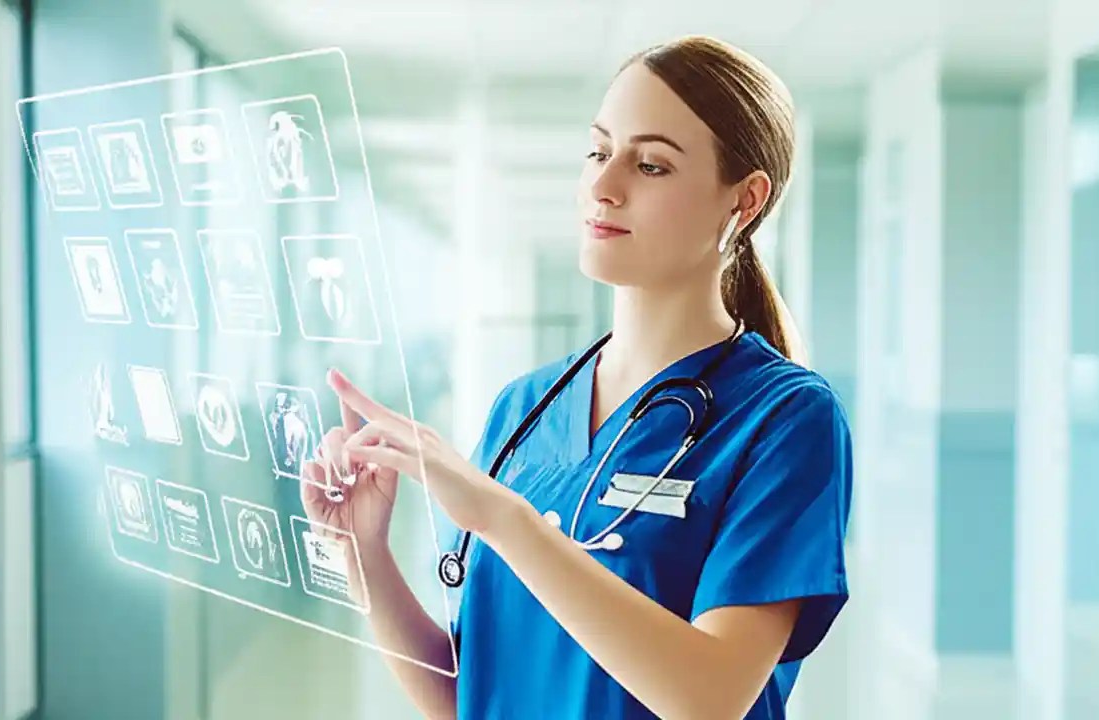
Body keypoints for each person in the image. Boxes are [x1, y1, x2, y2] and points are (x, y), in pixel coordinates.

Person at [301, 34, 852, 720]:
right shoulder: (524, 410)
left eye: (649, 165)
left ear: (742, 203)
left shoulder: (783, 419)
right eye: (597, 151)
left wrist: (506, 520)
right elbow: (467, 697)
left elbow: (710, 698)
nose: (602, 184)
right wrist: (365, 558)